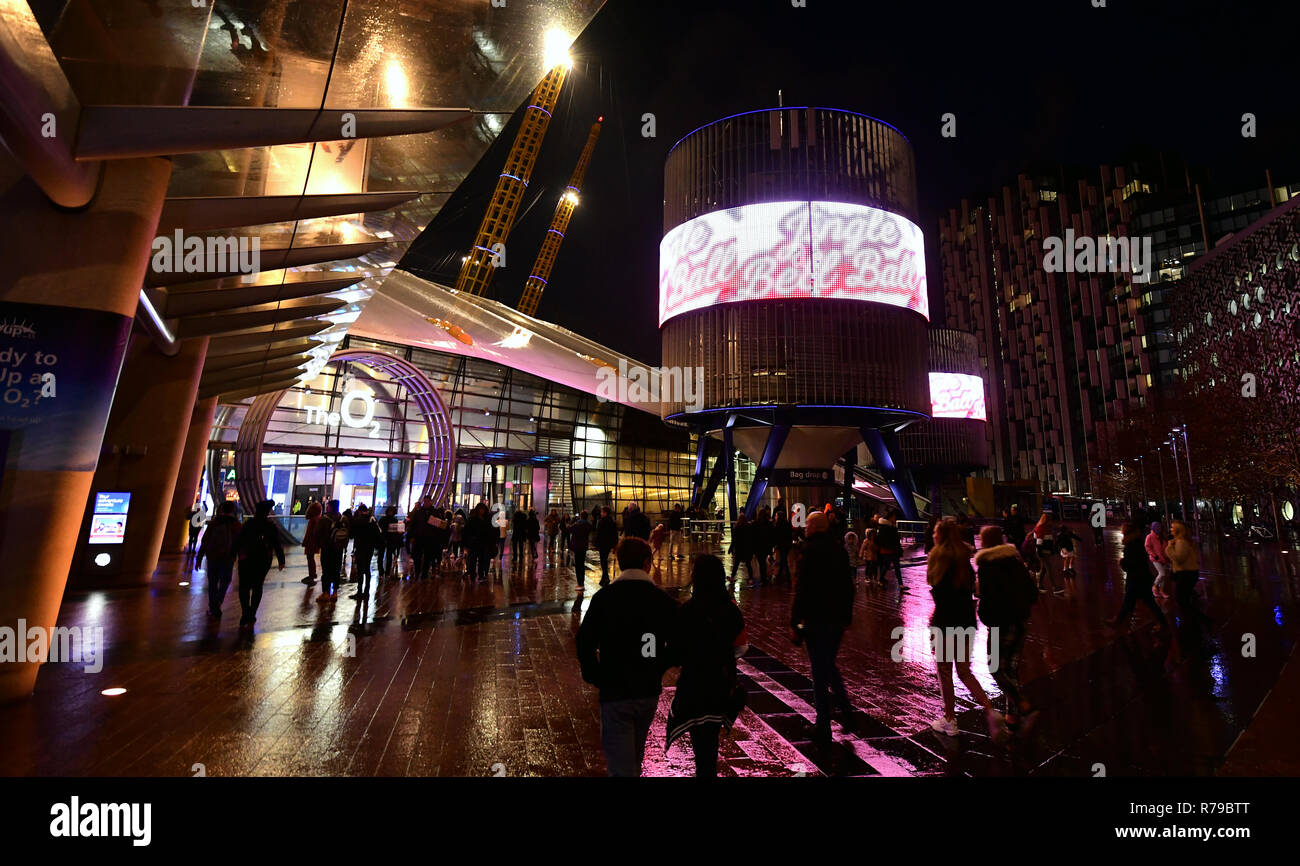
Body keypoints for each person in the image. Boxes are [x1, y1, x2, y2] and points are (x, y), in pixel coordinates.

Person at [576, 537, 678, 777]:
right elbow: (678, 642)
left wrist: (596, 675)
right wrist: (658, 665)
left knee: (621, 765)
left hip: (615, 690)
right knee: (635, 754)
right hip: (647, 690)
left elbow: (585, 640)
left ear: (620, 563)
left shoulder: (605, 598)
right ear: (647, 562)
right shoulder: (661, 600)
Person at [665, 554, 747, 777]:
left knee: (702, 743)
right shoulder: (731, 609)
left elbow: (674, 652)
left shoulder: (687, 610)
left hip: (694, 685)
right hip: (721, 684)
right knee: (710, 738)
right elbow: (741, 647)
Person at [927, 518, 1007, 741]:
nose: (933, 535)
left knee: (944, 671)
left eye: (935, 531)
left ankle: (950, 720)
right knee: (964, 671)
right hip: (966, 621)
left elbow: (939, 594)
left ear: (940, 535)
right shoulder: (964, 559)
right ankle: (990, 710)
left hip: (945, 623)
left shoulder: (939, 558)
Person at [790, 511, 855, 742]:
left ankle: (823, 724)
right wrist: (847, 616)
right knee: (827, 665)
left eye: (808, 523)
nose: (805, 526)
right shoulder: (839, 550)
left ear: (815, 527)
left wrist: (795, 622)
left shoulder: (808, 552)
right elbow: (848, 587)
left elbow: (802, 590)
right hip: (836, 619)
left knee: (819, 671)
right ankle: (846, 711)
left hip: (815, 619)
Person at [975, 525, 1040, 735]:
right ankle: (1012, 718)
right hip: (1020, 621)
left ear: (985, 542)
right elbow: (1031, 591)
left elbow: (987, 599)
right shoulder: (1014, 561)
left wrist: (984, 616)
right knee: (1011, 670)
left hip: (999, 623)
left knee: (995, 668)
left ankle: (1023, 704)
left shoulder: (986, 566)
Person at [232, 499, 286, 629]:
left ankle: (245, 612)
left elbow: (238, 541)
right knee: (257, 586)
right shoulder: (270, 526)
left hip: (246, 559)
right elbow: (277, 543)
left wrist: (233, 554)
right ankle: (252, 613)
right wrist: (281, 560)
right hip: (263, 560)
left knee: (244, 586)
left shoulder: (248, 524)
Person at [1105, 522, 1168, 631]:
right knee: (1132, 602)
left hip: (1136, 579)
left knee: (1139, 602)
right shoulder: (1138, 542)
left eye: (1123, 529)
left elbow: (1131, 564)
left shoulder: (1131, 545)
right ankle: (1121, 621)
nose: (1121, 531)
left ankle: (1121, 622)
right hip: (1142, 578)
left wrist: (1122, 562)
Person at [196, 501, 241, 618]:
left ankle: (212, 606)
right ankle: (219, 601)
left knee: (212, 582)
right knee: (225, 581)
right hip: (228, 557)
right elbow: (240, 543)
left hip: (212, 556)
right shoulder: (236, 524)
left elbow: (205, 540)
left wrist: (199, 557)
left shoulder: (214, 522)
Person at [1165, 520, 1204, 623]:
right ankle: (1195, 619)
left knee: (1181, 599)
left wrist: (1169, 548)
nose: (1170, 529)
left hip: (1186, 573)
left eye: (1172, 527)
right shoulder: (1183, 541)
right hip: (1189, 573)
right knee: (1184, 598)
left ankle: (1193, 620)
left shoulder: (1181, 542)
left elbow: (1179, 559)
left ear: (1177, 530)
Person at [315, 500, 348, 602]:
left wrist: (319, 545)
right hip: (338, 548)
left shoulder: (323, 519)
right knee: (336, 570)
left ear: (330, 507)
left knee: (326, 571)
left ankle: (325, 593)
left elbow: (317, 533)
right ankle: (334, 593)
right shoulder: (343, 519)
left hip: (327, 548)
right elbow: (348, 533)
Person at [350, 504, 381, 600]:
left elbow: (352, 534)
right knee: (367, 569)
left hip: (360, 547)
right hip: (369, 547)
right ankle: (366, 591)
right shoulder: (372, 520)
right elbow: (378, 533)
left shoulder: (358, 520)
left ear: (359, 511)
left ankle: (359, 591)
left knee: (360, 569)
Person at [876, 510, 905, 592]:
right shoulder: (885, 527)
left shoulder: (890, 526)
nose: (895, 518)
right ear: (891, 517)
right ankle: (881, 580)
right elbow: (882, 540)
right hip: (888, 550)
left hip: (893, 550)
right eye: (894, 517)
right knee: (887, 566)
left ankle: (900, 584)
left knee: (895, 567)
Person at [728, 513, 756, 585]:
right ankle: (751, 578)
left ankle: (732, 577)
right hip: (747, 549)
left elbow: (734, 540)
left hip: (739, 549)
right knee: (748, 564)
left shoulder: (737, 528)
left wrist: (731, 548)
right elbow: (752, 538)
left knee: (736, 564)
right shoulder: (749, 527)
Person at [1146, 521, 1172, 598]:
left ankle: (1161, 591)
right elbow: (1148, 547)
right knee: (1162, 573)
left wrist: (1167, 557)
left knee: (1163, 576)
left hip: (1163, 559)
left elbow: (1165, 548)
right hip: (1155, 559)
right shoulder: (1149, 537)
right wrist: (1154, 555)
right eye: (1157, 527)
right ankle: (1154, 586)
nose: (1159, 529)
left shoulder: (1162, 537)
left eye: (1160, 527)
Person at [750, 507, 776, 586]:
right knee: (763, 562)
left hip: (758, 546)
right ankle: (765, 578)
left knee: (761, 562)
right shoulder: (769, 524)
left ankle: (763, 578)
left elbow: (752, 536)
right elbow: (772, 535)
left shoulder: (755, 523)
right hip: (766, 546)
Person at [300, 500, 322, 586]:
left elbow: (309, 533)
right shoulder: (317, 519)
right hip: (314, 542)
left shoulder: (312, 520)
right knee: (311, 558)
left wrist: (305, 542)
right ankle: (312, 574)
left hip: (310, 543)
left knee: (310, 558)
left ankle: (311, 575)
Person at [594, 506, 619, 585]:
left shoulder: (602, 521)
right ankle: (605, 577)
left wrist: (596, 543)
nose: (601, 513)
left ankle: (605, 577)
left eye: (602, 512)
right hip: (608, 544)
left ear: (605, 513)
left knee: (603, 560)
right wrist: (615, 543)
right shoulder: (612, 521)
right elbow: (615, 533)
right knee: (605, 559)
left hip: (602, 543)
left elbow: (599, 533)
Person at [378, 505, 402, 577]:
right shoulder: (394, 520)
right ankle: (384, 572)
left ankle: (384, 572)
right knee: (385, 557)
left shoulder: (383, 519)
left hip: (387, 539)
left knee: (385, 557)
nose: (390, 513)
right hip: (389, 539)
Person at [568, 510, 593, 581]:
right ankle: (582, 577)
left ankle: (579, 579)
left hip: (577, 545)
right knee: (582, 562)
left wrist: (573, 521)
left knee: (578, 563)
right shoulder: (589, 524)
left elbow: (569, 529)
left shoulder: (577, 524)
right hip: (584, 545)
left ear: (580, 516)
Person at [773, 510, 793, 583]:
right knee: (783, 559)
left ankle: (788, 577)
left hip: (782, 545)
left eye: (776, 516)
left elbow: (776, 536)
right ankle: (780, 574)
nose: (775, 517)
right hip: (787, 544)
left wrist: (775, 545)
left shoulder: (778, 525)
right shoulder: (787, 524)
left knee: (784, 560)